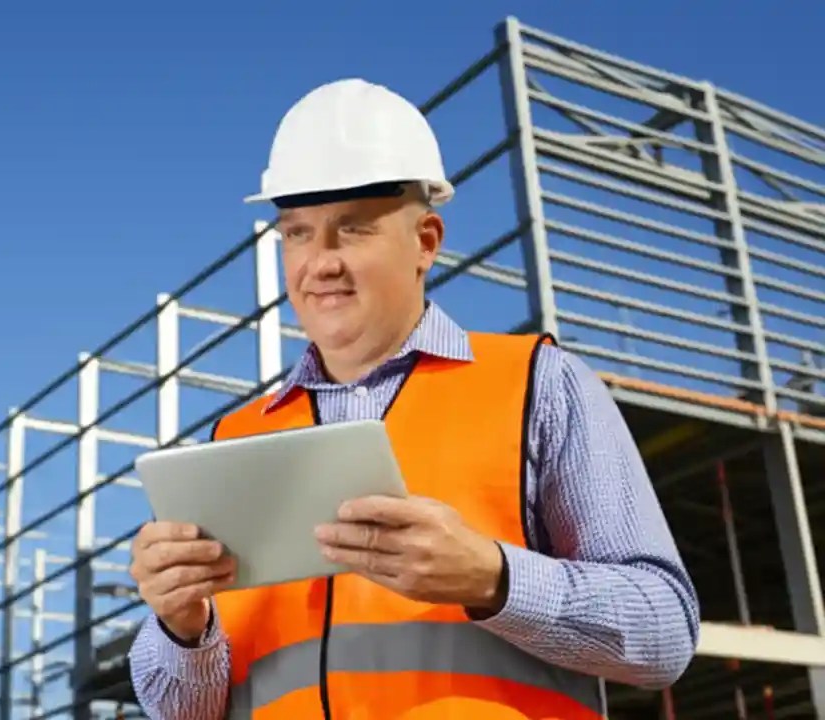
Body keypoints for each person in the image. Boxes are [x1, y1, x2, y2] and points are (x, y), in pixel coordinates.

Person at [125, 78, 699, 719]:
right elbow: (186, 712)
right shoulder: (234, 439)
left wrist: (494, 578)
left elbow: (664, 633)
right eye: (298, 233)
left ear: (426, 241)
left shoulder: (538, 385)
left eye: (353, 230)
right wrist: (181, 621)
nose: (321, 263)